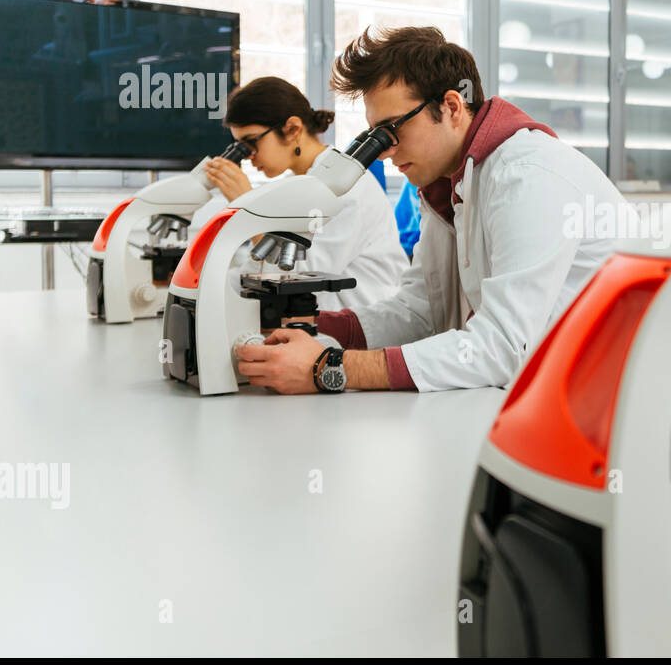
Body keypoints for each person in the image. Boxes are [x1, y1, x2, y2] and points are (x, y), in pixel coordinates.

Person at [235, 26, 628, 393]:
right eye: (375, 136)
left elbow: (503, 348)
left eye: (392, 129)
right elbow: (420, 313)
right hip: (538, 391)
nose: (385, 151)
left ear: (452, 106)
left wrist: (328, 368)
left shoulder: (527, 175)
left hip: (600, 399)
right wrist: (311, 328)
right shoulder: (447, 187)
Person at [196, 76, 407, 312]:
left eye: (250, 143)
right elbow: (256, 267)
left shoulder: (346, 185)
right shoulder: (293, 186)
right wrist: (200, 286)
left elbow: (299, 275)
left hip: (361, 326)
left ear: (293, 129)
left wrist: (248, 209)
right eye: (240, 147)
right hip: (314, 320)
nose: (247, 156)